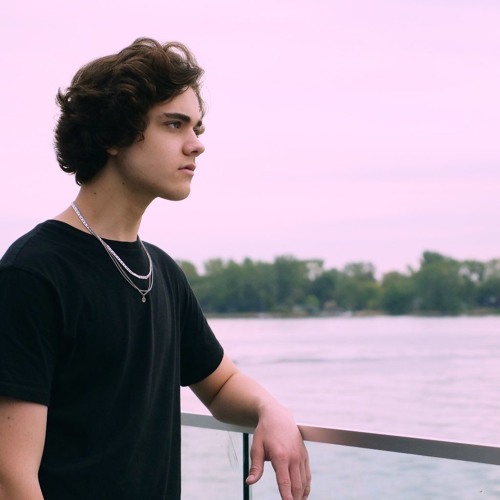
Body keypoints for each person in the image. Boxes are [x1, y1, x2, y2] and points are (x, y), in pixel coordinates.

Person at [0, 38, 311, 499]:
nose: (197, 144)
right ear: (112, 136)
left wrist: (270, 409)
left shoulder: (161, 271)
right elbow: (12, 478)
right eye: (174, 124)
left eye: (197, 127)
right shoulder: (33, 274)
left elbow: (220, 384)